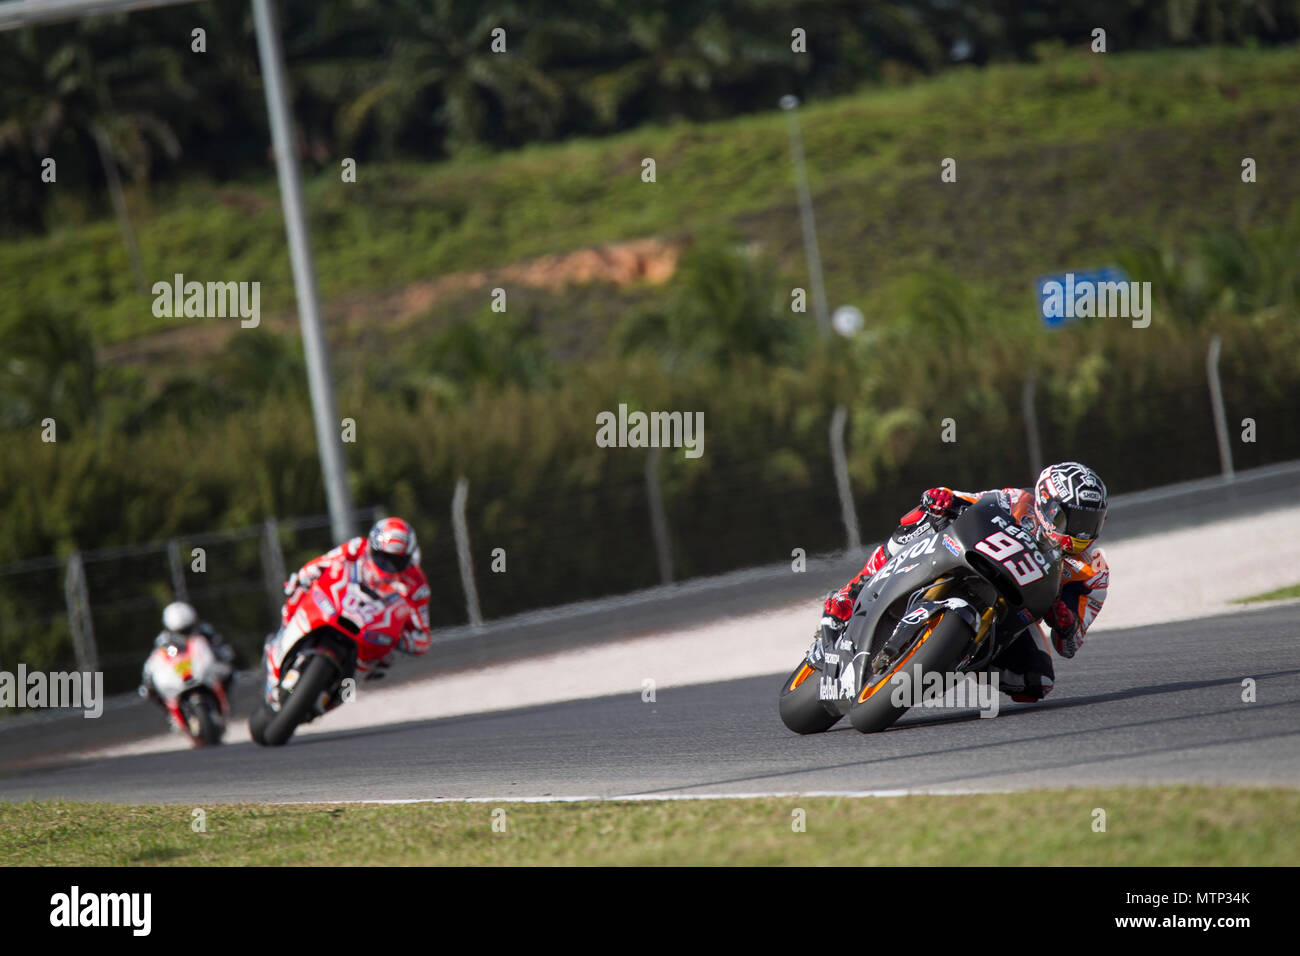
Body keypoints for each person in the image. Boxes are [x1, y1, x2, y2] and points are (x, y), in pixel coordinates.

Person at [819, 461, 1110, 702]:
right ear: (1048, 505)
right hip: (968, 559)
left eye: (1091, 523)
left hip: (1014, 609)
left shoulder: (1093, 571)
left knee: (1038, 682)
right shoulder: (1017, 501)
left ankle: (959, 658)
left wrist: (1065, 621)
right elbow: (970, 500)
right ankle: (853, 589)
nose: (1082, 533)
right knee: (925, 516)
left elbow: (1069, 645)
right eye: (1076, 521)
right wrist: (944, 499)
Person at [282, 516, 432, 677]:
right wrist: (304, 576)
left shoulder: (417, 584)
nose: (388, 566)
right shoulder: (357, 547)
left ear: (408, 559)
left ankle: (346, 690)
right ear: (372, 548)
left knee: (384, 661)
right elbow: (324, 562)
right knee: (298, 591)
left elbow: (423, 636)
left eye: (397, 561)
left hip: (372, 630)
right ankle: (283, 634)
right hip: (341, 604)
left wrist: (402, 640)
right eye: (382, 557)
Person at [138, 600, 237, 708]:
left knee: (229, 672)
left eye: (187, 630)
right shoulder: (164, 639)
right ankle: (172, 716)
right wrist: (147, 682)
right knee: (152, 691)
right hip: (178, 673)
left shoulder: (203, 630)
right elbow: (153, 661)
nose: (184, 635)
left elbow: (219, 645)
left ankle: (224, 700)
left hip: (203, 668)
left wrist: (226, 656)